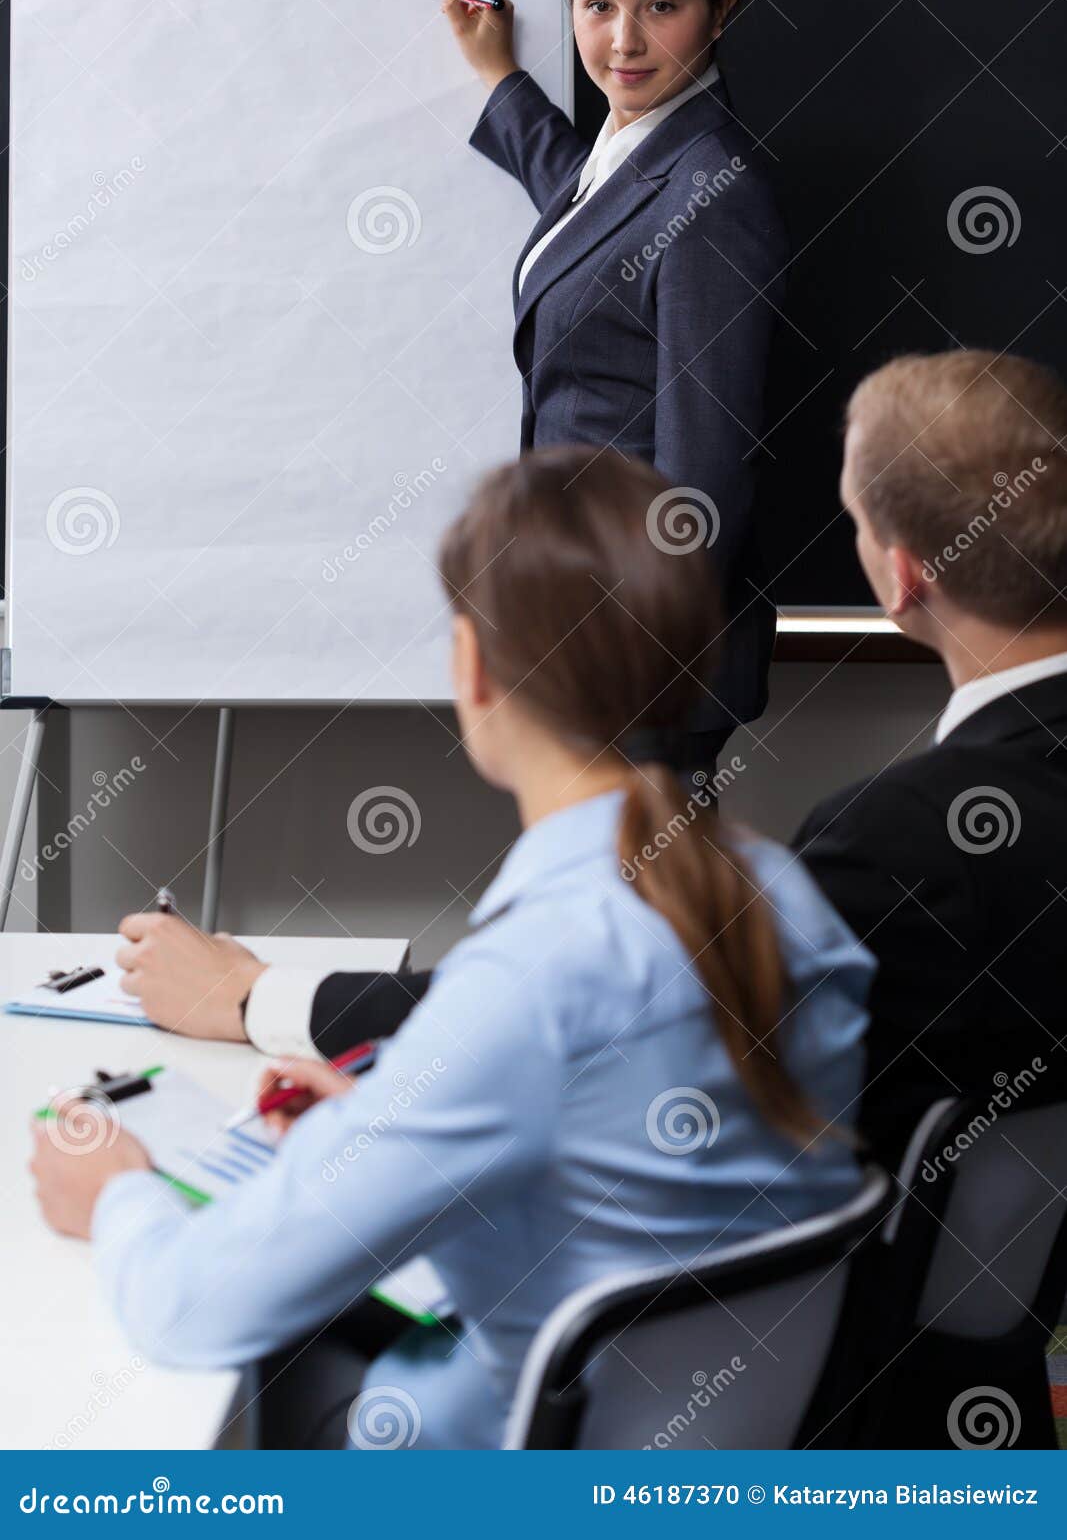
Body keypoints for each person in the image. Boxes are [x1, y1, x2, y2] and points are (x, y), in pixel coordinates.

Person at [33, 446, 872, 1451]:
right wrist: (388, 1120)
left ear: (471, 666)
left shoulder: (536, 977)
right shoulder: (788, 897)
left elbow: (191, 1308)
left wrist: (115, 1193)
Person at [439, 0, 789, 775]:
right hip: (585, 636)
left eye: (660, 6)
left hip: (640, 661)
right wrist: (498, 73)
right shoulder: (637, 151)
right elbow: (583, 208)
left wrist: (622, 673)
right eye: (596, 6)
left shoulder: (712, 195)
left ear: (721, 8)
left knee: (637, 873)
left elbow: (704, 481)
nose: (623, 41)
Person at [792, 348, 1067, 1446]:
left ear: (903, 576)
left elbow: (647, 1023)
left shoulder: (895, 841)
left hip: (843, 1424)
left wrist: (301, 1000)